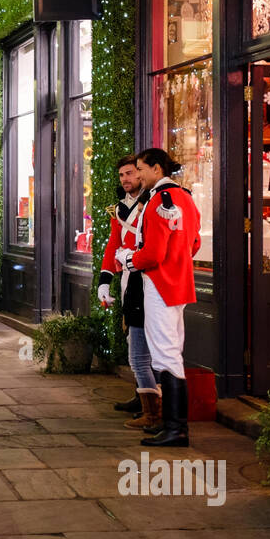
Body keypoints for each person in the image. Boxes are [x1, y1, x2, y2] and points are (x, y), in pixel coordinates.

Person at [116, 147, 201, 447]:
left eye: (140, 168)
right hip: (180, 284)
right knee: (172, 352)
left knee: (165, 356)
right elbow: (194, 243)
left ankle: (176, 429)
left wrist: (128, 260)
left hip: (159, 284)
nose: (137, 175)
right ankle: (171, 424)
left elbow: (152, 254)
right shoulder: (187, 198)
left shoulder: (157, 202)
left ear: (156, 169)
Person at [96, 155, 156, 427]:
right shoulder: (120, 208)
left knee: (150, 345)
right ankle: (142, 395)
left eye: (131, 173)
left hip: (151, 277)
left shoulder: (153, 202)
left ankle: (155, 406)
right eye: (122, 175)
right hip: (128, 278)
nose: (126, 179)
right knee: (135, 340)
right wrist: (104, 280)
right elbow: (112, 245)